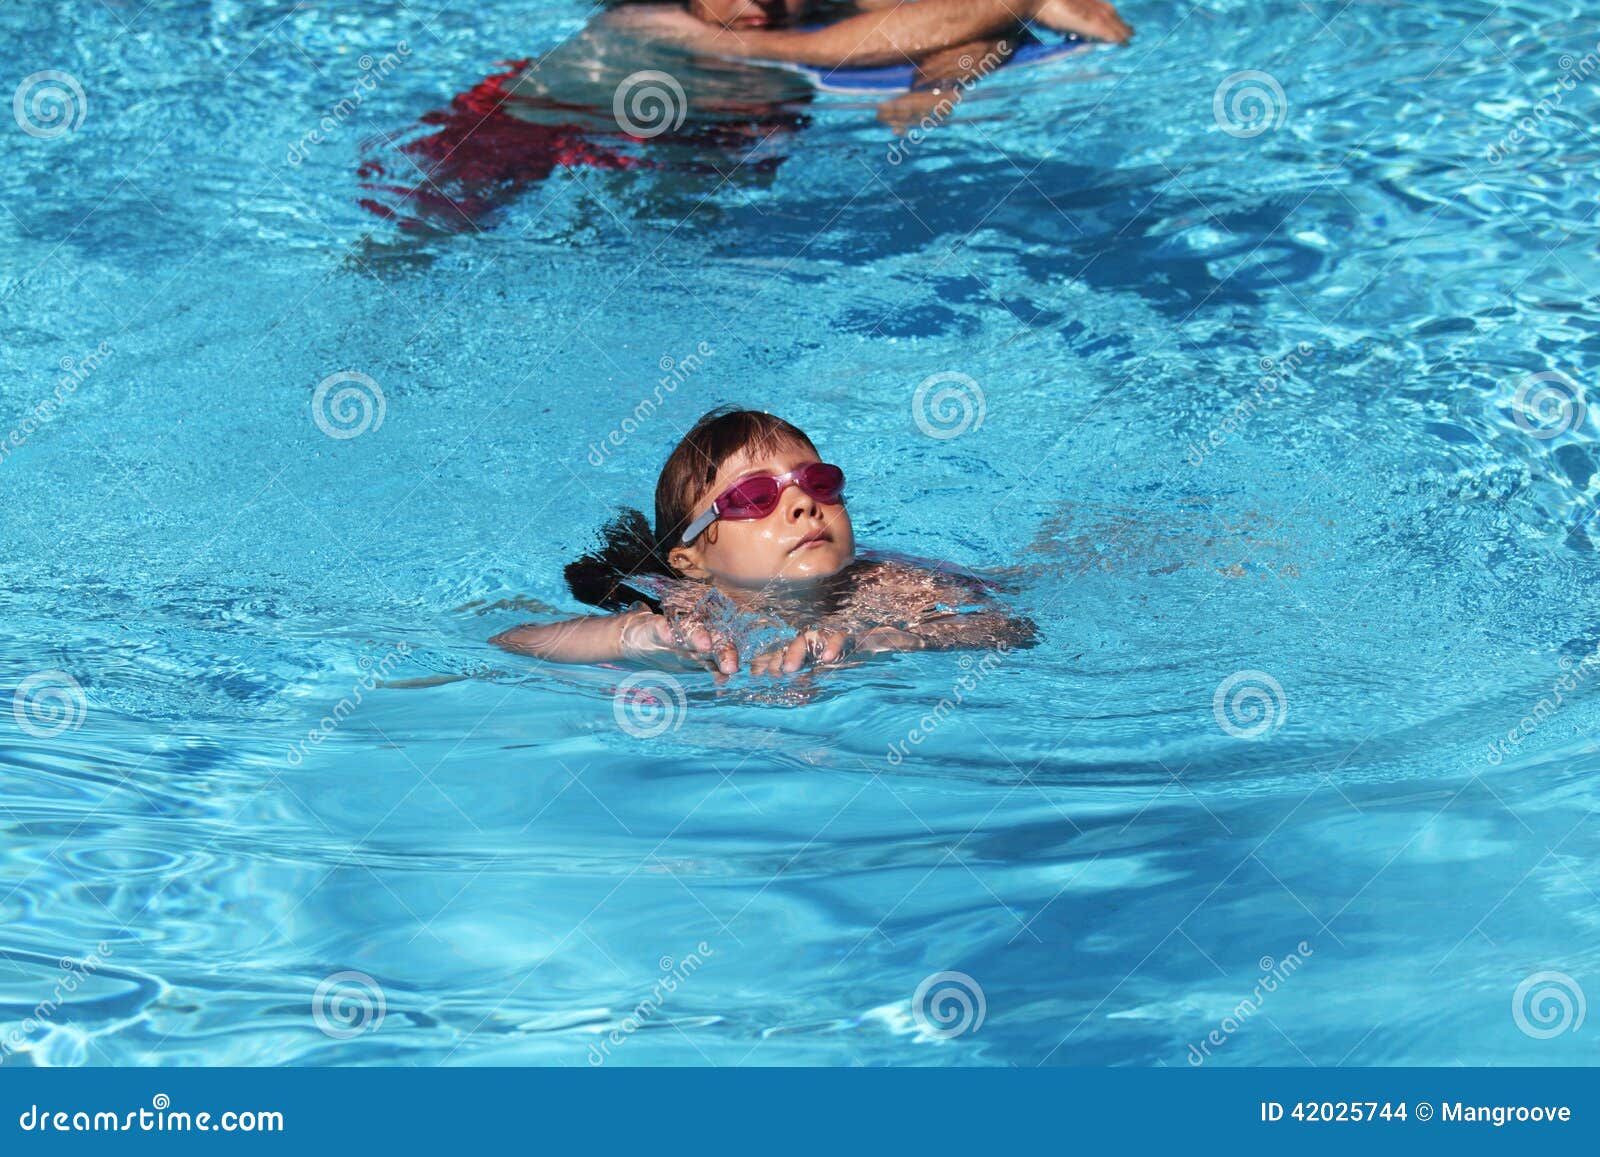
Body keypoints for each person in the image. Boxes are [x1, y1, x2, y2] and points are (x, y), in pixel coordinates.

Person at [358, 0, 1131, 231]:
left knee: (664, 256)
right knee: (410, 248)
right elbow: (818, 50)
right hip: (540, 122)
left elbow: (959, 24)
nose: (754, 3)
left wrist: (942, 84)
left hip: (698, 143)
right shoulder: (646, 22)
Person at [491, 408, 1036, 679]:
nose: (802, 504)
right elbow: (514, 640)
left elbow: (1011, 628)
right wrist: (635, 636)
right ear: (691, 558)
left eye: (818, 482)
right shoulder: (691, 609)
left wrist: (879, 640)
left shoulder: (886, 582)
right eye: (754, 496)